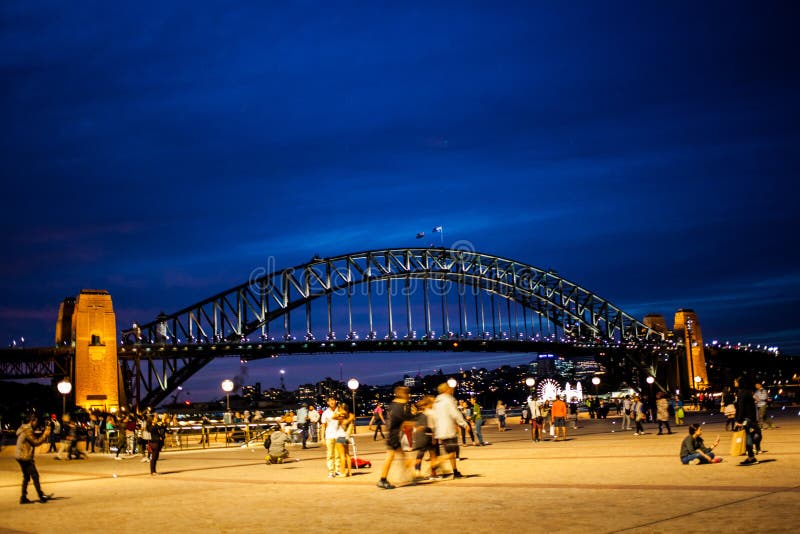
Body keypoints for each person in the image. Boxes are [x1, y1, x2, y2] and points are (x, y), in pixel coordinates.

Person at [377, 386, 414, 489]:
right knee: (390, 457)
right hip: (393, 436)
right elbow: (405, 422)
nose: (409, 397)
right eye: (408, 394)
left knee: (402, 456)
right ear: (404, 395)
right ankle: (382, 479)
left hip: (392, 434)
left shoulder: (393, 405)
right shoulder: (399, 407)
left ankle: (409, 475)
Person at [432, 383, 468, 480]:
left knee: (451, 451)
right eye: (450, 388)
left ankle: (455, 471)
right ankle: (434, 464)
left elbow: (434, 416)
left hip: (440, 430)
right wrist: (464, 424)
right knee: (451, 453)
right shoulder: (448, 399)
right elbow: (455, 413)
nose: (452, 389)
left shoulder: (437, 401)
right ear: (447, 389)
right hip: (448, 429)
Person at [15, 413, 52, 504]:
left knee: (27, 477)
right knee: (35, 476)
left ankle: (23, 497)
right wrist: (45, 434)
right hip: (25, 457)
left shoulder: (23, 428)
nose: (36, 423)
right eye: (36, 421)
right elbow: (36, 442)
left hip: (19, 456)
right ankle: (41, 496)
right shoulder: (28, 430)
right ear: (32, 421)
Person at [735, 377, 763, 465]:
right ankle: (751, 456)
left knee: (747, 438)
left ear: (740, 383)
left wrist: (738, 420)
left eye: (736, 381)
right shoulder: (748, 392)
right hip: (750, 418)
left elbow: (741, 408)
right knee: (749, 436)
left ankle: (751, 457)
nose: (734, 382)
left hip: (746, 419)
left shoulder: (741, 393)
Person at [320, 397, 342, 478]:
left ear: (336, 401)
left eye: (333, 400)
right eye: (330, 401)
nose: (332, 402)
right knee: (330, 454)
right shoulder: (325, 413)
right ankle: (331, 471)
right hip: (329, 435)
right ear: (328, 403)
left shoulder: (340, 410)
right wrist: (322, 438)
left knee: (338, 454)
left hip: (339, 435)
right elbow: (323, 426)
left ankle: (337, 470)